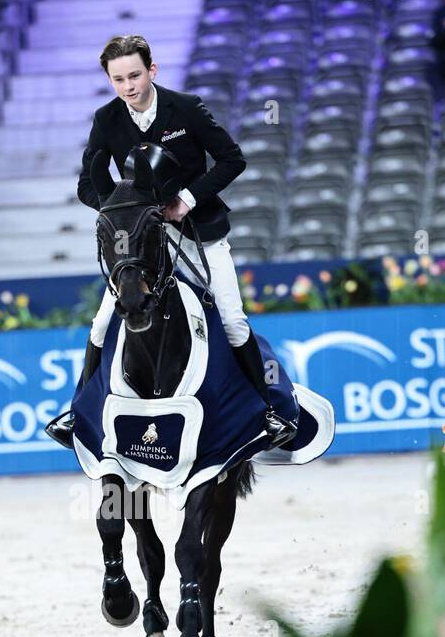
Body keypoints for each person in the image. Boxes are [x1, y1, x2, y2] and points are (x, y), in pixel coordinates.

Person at [75, 33, 297, 448]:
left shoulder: (186, 108)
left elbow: (233, 159)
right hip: (142, 244)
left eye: (135, 75)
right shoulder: (106, 120)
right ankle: (77, 415)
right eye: (119, 79)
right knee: (102, 322)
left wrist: (187, 200)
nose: (129, 87)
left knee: (232, 319)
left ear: (152, 70)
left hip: (198, 232)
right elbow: (87, 185)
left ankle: (266, 412)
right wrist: (124, 209)